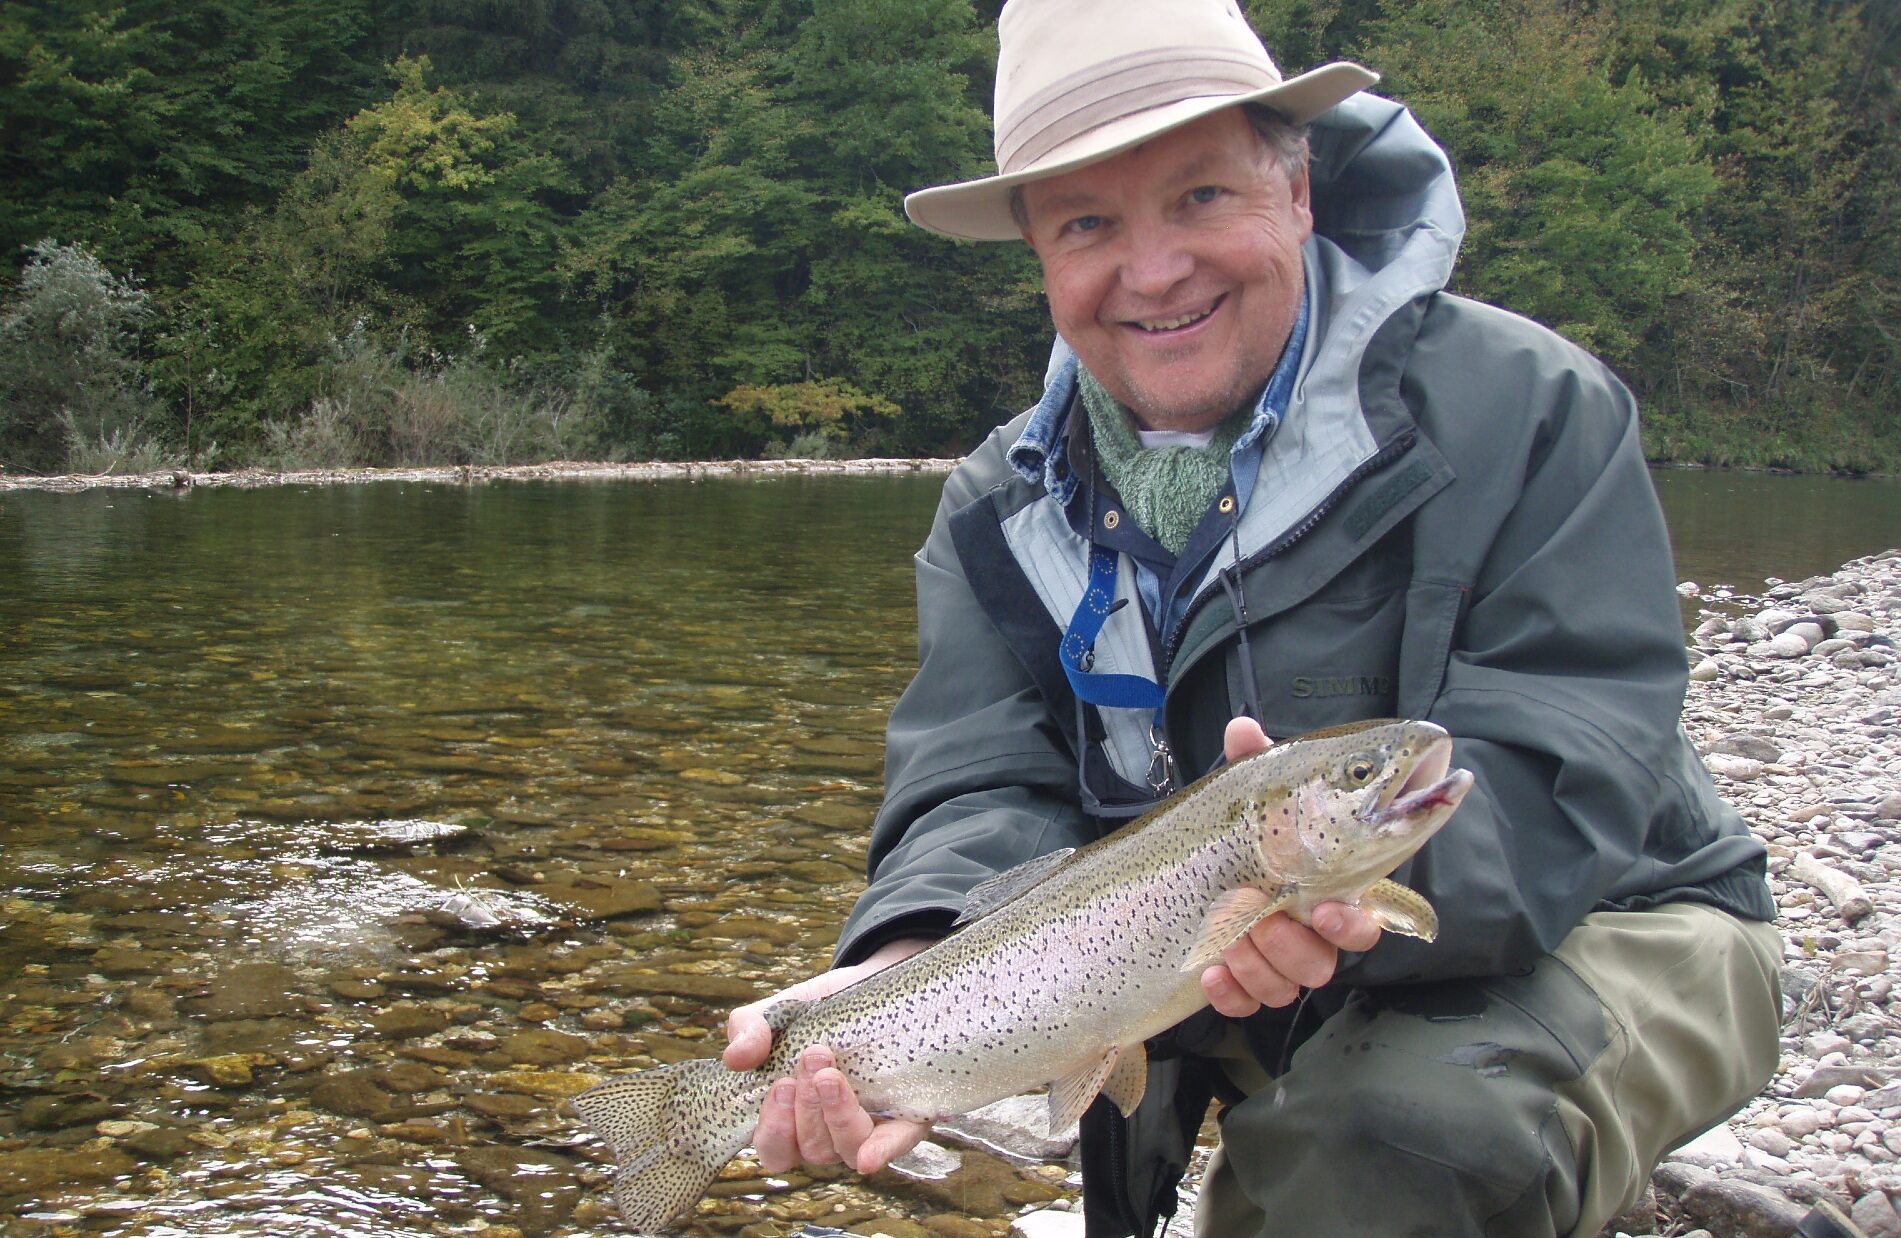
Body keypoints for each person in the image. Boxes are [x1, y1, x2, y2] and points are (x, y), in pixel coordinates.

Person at [724, 1, 1789, 1234]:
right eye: (1088, 223)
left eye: (1199, 197)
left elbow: (1573, 759)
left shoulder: (1530, 406)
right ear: (1037, 255)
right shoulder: (996, 510)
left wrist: (1331, 897)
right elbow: (980, 781)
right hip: (1222, 942)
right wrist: (916, 953)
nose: (1156, 267)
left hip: (1618, 908)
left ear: (1298, 191)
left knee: (1392, 1141)